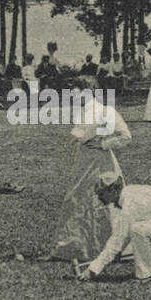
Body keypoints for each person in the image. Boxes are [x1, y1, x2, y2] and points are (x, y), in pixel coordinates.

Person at [50, 96, 132, 261]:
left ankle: (115, 247)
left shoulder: (105, 111)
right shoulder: (81, 111)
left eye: (79, 94)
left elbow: (125, 136)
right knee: (77, 199)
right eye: (71, 95)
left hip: (101, 162)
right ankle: (76, 247)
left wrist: (103, 144)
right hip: (84, 161)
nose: (75, 98)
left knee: (105, 200)